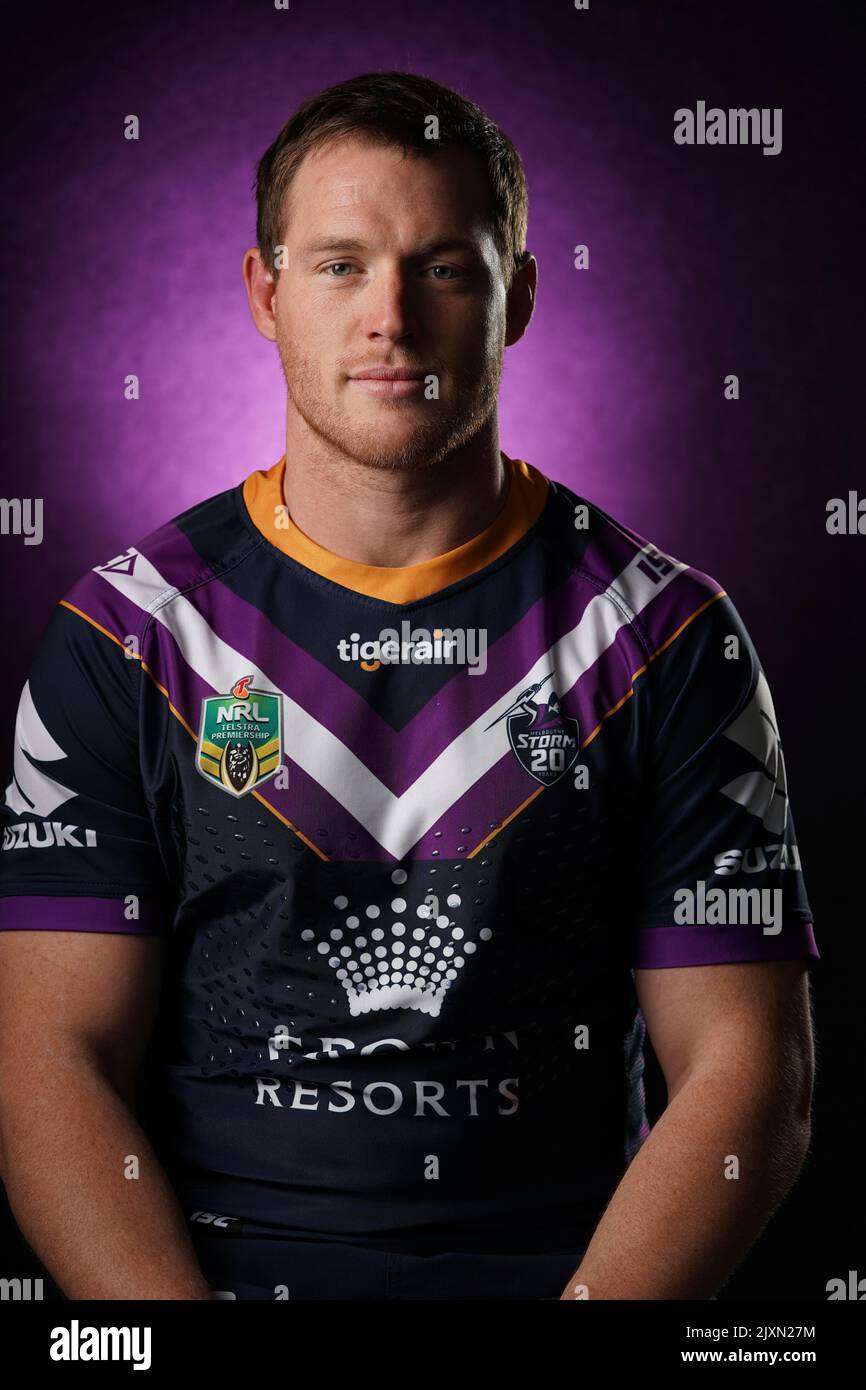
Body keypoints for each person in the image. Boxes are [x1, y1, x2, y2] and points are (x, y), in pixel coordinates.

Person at [0, 71, 818, 1302]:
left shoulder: (663, 636)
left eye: (443, 266)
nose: (389, 316)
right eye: (338, 265)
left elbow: (751, 1067)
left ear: (518, 298)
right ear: (263, 294)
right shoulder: (124, 633)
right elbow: (48, 1062)